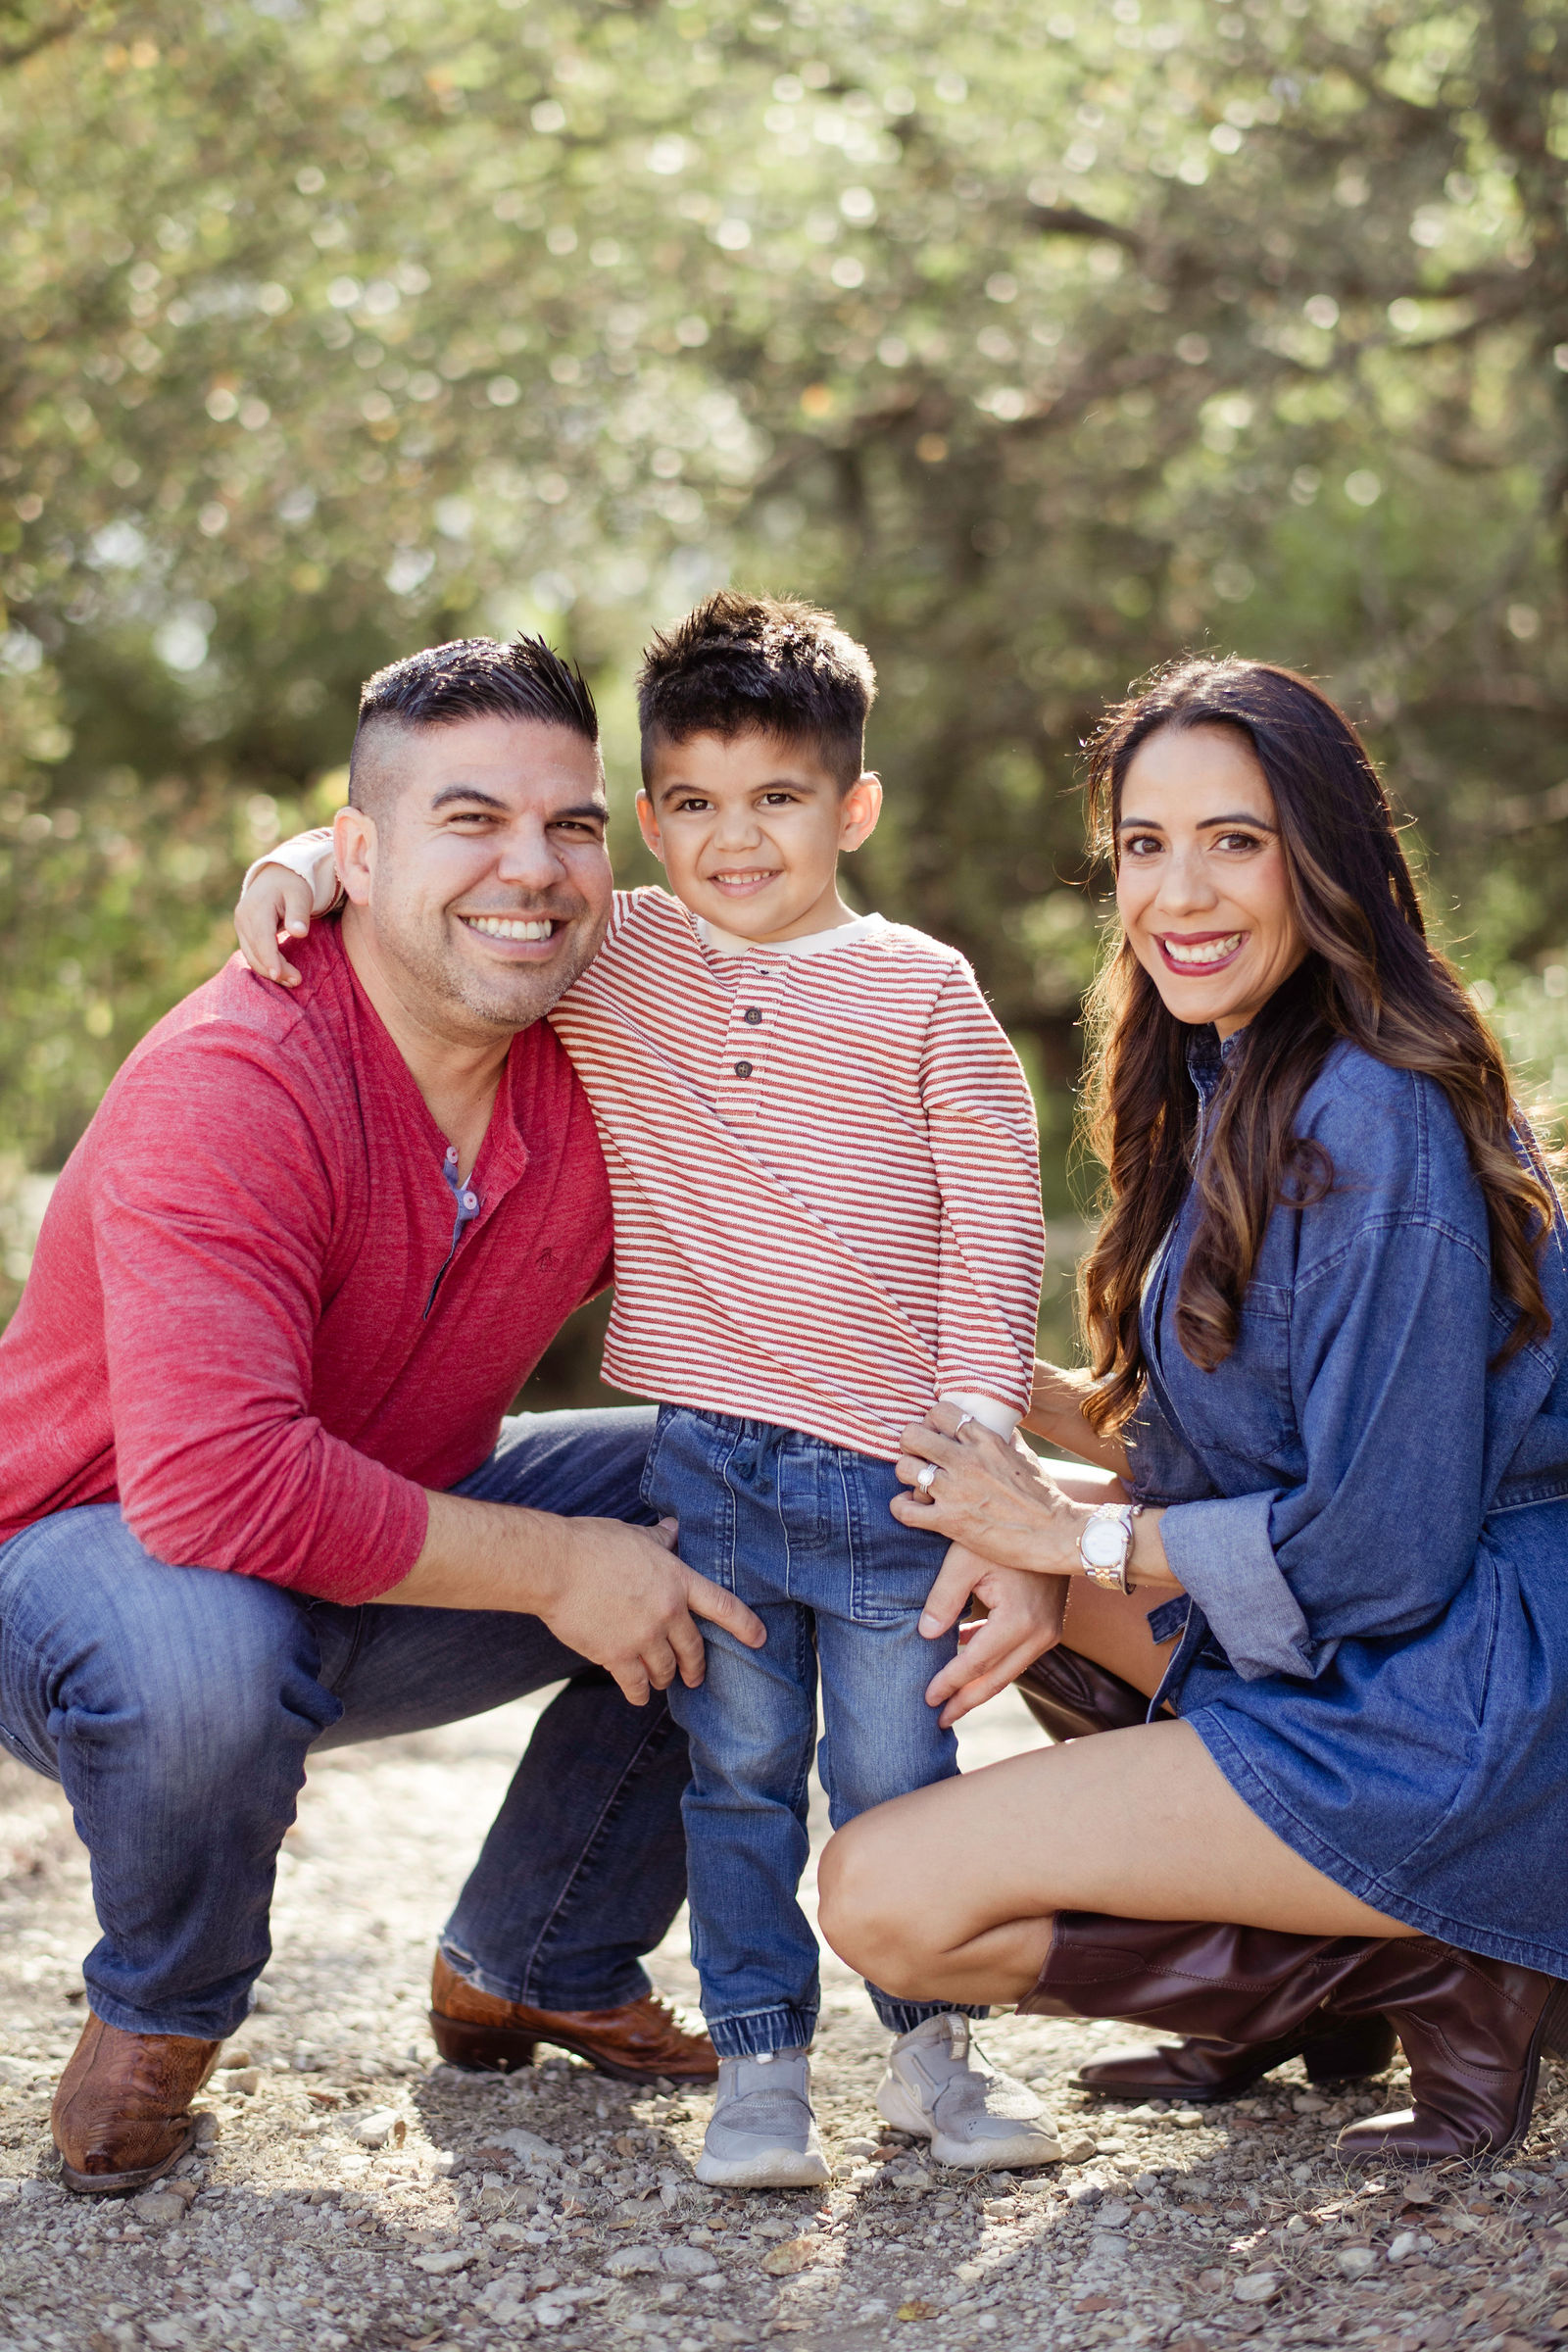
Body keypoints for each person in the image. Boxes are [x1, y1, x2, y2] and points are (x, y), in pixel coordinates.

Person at [237, 594, 1065, 2188]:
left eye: (777, 800)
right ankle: (759, 2069)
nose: (734, 841)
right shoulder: (619, 959)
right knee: (737, 1777)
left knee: (898, 1784)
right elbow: (446, 862)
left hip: (902, 1483)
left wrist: (986, 1455)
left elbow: (993, 1220)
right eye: (691, 804)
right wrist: (298, 861)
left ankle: (929, 2060)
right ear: (645, 823)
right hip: (717, 1477)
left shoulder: (924, 992)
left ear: (854, 807)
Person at [0, 635, 771, 2200]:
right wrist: (563, 1568)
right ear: (360, 857)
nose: (535, 871)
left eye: (572, 828)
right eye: (468, 820)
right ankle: (161, 2013)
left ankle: (538, 1955)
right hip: (88, 1562)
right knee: (201, 1648)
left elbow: (803, 1227)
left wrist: (1012, 1424)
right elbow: (214, 1493)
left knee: (761, 1485)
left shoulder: (600, 1031)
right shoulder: (238, 1077)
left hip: (370, 1536)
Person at [812, 656, 1568, 2167]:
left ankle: (1441, 1954)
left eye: (1236, 839)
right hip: (1371, 1640)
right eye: (1145, 846)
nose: (1178, 892)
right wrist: (987, 1406)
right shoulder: (1242, 1077)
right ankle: (1339, 1976)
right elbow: (1239, 1440)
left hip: (1451, 1699)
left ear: (1326, 859)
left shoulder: (1372, 1121)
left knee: (886, 1904)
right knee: (938, 1537)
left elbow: (1385, 1545)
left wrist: (1074, 1541)